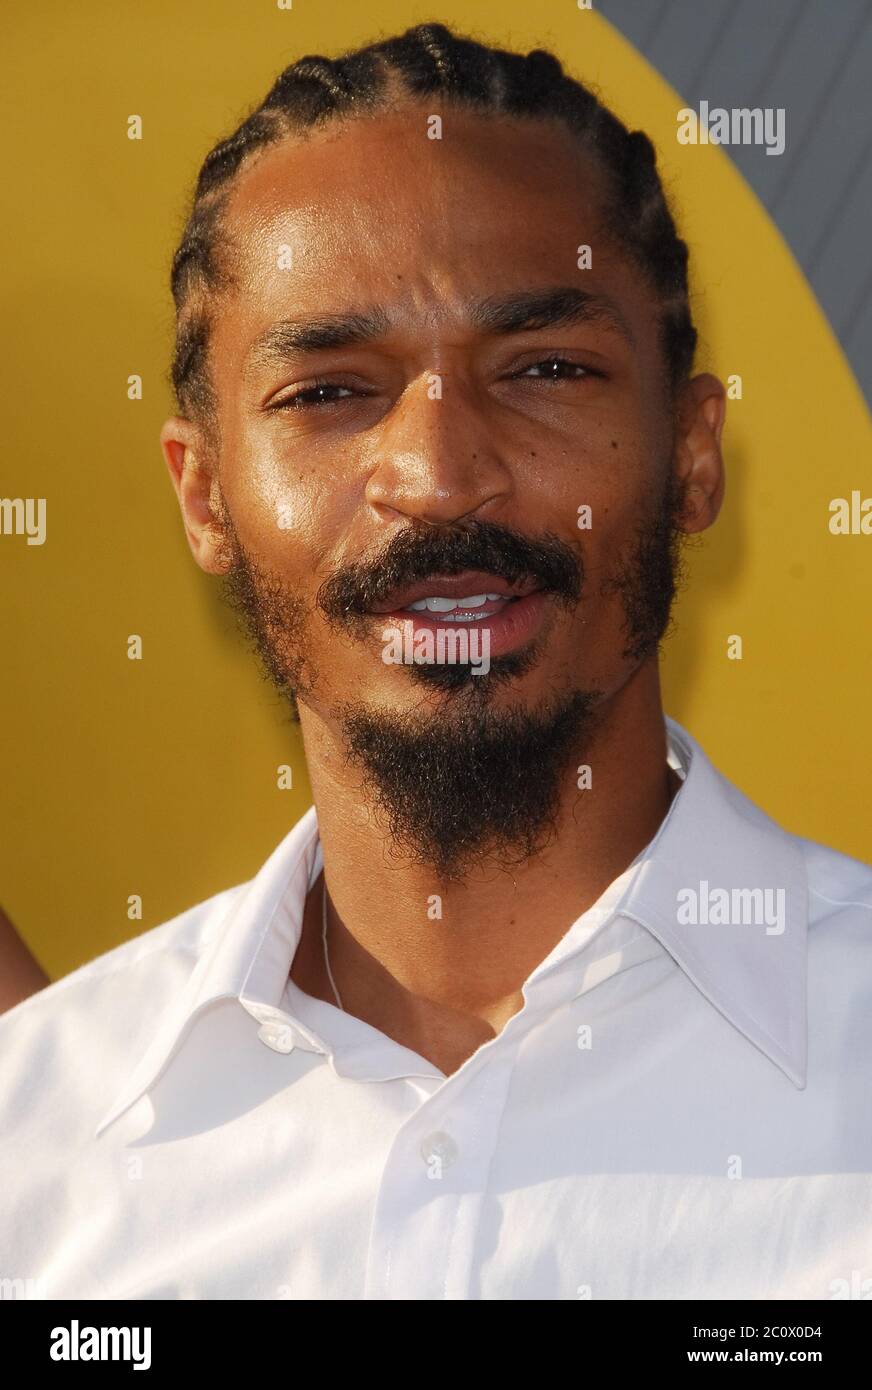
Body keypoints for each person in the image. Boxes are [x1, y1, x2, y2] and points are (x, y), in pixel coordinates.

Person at [1, 21, 869, 1301]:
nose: (439, 474)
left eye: (544, 368)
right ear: (203, 499)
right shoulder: (37, 1149)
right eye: (329, 392)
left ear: (692, 454)